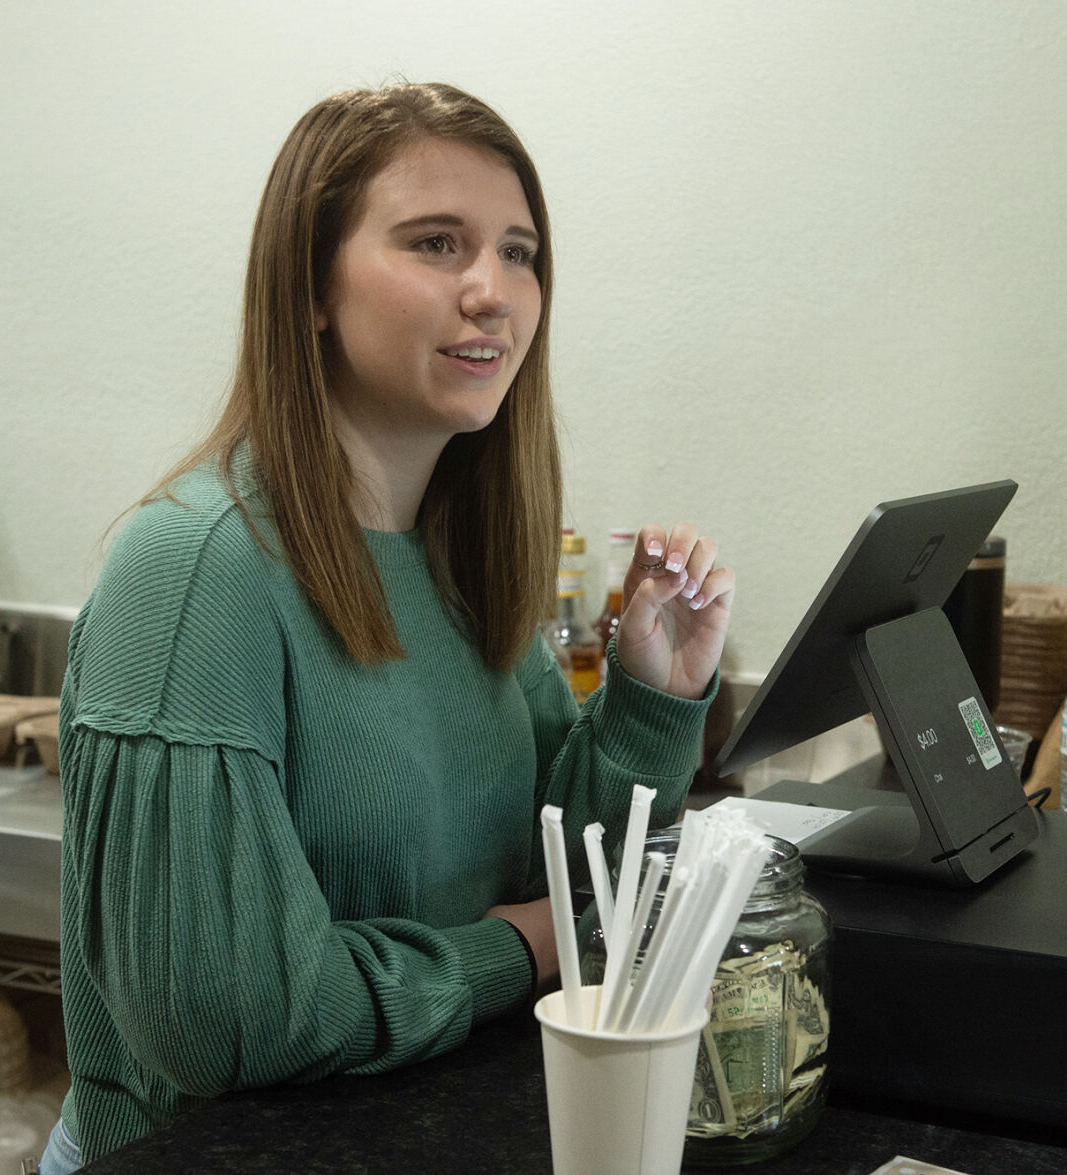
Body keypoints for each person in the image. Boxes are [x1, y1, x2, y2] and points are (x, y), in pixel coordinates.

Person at [38, 82, 733, 1171]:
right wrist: (514, 947)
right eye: (435, 243)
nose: (491, 292)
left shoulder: (463, 555)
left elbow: (582, 885)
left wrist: (652, 696)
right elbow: (232, 1019)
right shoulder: (196, 568)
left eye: (518, 253)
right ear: (310, 286)